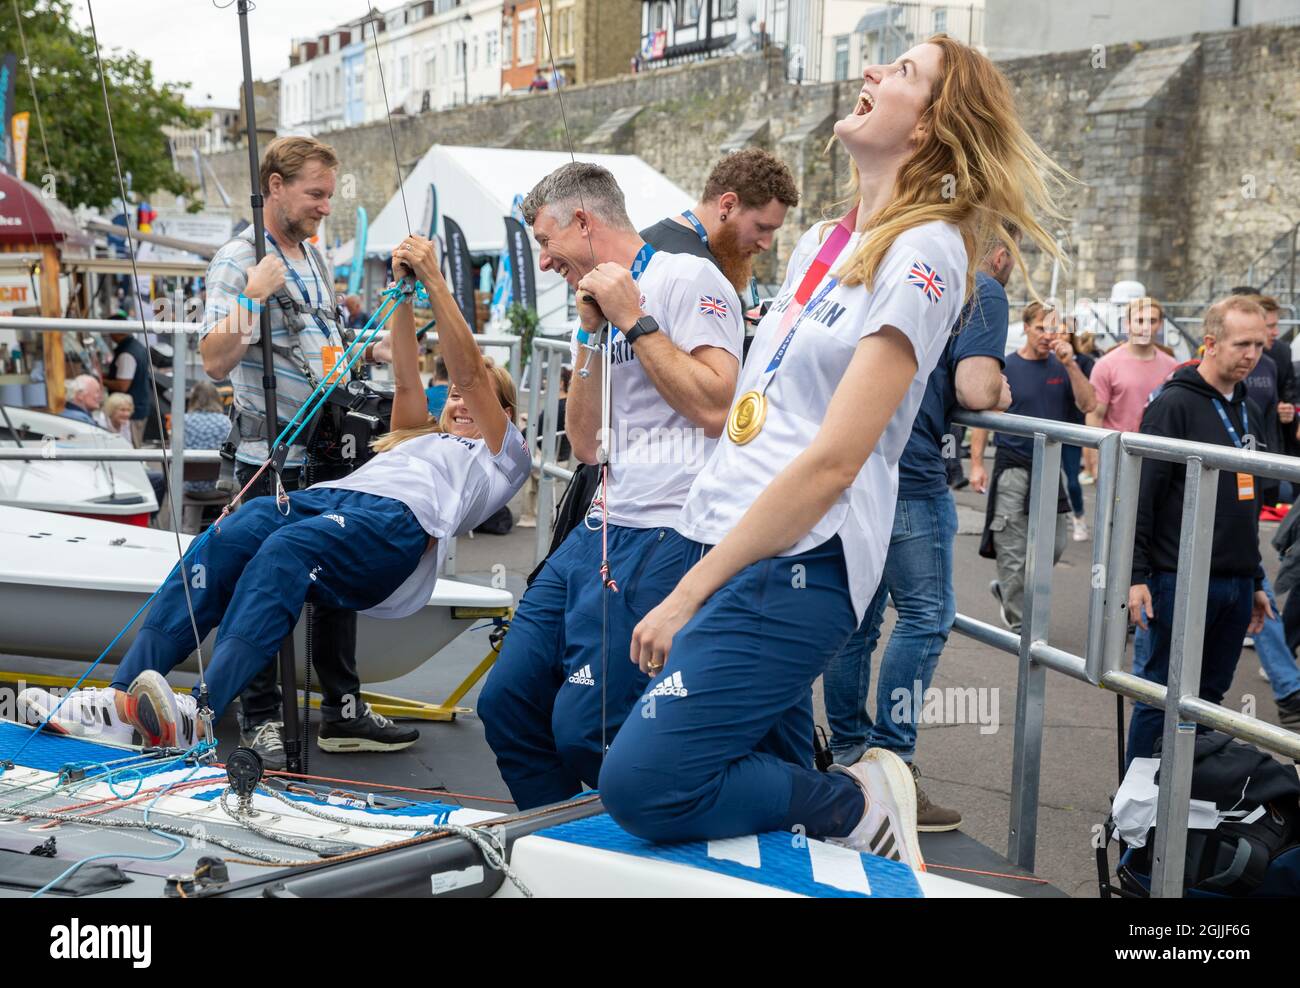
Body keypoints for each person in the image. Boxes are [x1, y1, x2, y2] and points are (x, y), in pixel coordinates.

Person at [596, 36, 1067, 864]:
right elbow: (765, 406)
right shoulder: (823, 237)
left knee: (642, 782)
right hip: (729, 536)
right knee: (734, 781)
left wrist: (687, 593)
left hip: (797, 564)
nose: (871, 73)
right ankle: (837, 827)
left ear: (927, 129)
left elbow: (833, 461)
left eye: (902, 73)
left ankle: (854, 795)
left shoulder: (925, 253)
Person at [17, 238, 530, 750]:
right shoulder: (417, 434)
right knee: (232, 531)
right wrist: (404, 289)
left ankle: (200, 710)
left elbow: (467, 373)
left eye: (481, 398)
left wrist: (435, 280)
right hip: (336, 500)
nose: (462, 400)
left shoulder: (503, 457)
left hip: (396, 527)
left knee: (287, 550)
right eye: (456, 397)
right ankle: (122, 697)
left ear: (505, 414)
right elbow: (403, 373)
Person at [478, 162, 744, 810]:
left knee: (587, 732)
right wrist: (593, 335)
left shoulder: (687, 277)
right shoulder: (596, 308)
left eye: (547, 242)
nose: (544, 262)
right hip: (602, 522)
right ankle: (565, 854)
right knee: (505, 701)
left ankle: (800, 796)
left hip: (669, 526)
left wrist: (633, 322)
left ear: (584, 222)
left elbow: (716, 406)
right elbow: (587, 444)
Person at [197, 136, 403, 767]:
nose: (324, 207)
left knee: (335, 576)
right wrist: (253, 296)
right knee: (259, 589)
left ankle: (341, 708)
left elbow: (323, 340)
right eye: (315, 194)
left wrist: (367, 353)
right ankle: (258, 717)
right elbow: (212, 360)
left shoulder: (312, 257)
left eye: (329, 195)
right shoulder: (239, 260)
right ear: (276, 186)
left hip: (327, 455)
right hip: (268, 458)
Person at [822, 232, 1014, 833]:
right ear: (1001, 254)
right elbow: (977, 389)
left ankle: (851, 761)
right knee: (927, 615)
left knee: (858, 617)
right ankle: (894, 766)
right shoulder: (980, 286)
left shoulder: (884, 262)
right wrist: (1004, 391)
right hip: (911, 473)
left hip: (851, 464)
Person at [1127, 295, 1274, 763]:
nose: (1252, 355)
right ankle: (1140, 812)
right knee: (1160, 696)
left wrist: (1254, 580)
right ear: (1210, 343)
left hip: (1233, 581)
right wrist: (1135, 576)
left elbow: (1246, 507)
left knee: (1208, 701)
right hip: (1177, 578)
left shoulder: (1248, 403)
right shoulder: (1174, 406)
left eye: (1259, 345)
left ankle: (1184, 804)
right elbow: (1141, 498)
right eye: (1241, 344)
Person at [973, 303, 1094, 633]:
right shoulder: (1006, 366)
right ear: (1026, 327)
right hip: (1013, 467)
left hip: (1051, 468)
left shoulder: (1065, 367)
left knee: (1052, 547)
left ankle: (1008, 588)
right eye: (1041, 328)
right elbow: (984, 417)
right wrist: (975, 464)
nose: (1047, 336)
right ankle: (1020, 627)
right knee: (1012, 547)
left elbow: (1089, 405)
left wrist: (1071, 365)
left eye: (1054, 329)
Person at [640, 148, 799, 311]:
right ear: (728, 205)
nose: (766, 244)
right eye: (762, 227)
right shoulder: (702, 275)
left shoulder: (643, 240)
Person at [1085, 296, 1177, 437]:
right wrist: (1093, 457)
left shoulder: (1172, 366)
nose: (1145, 328)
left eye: (1152, 321)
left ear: (1160, 325)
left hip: (1157, 452)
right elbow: (1095, 416)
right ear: (1127, 324)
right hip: (1118, 453)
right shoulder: (1106, 365)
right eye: (1139, 321)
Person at [1061, 323, 1097, 541]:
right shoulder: (1045, 360)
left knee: (1073, 480)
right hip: (1047, 429)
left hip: (1072, 429)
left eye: (1064, 330)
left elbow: (1090, 399)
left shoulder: (1084, 362)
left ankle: (1079, 517)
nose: (1059, 335)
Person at [106, 331, 153, 446]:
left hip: (133, 410)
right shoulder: (137, 346)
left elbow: (123, 385)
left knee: (131, 446)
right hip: (139, 406)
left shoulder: (127, 354)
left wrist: (103, 381)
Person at [183, 381, 230, 495]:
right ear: (217, 399)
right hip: (221, 487)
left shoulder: (184, 421)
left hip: (190, 487)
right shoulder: (225, 422)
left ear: (193, 399)